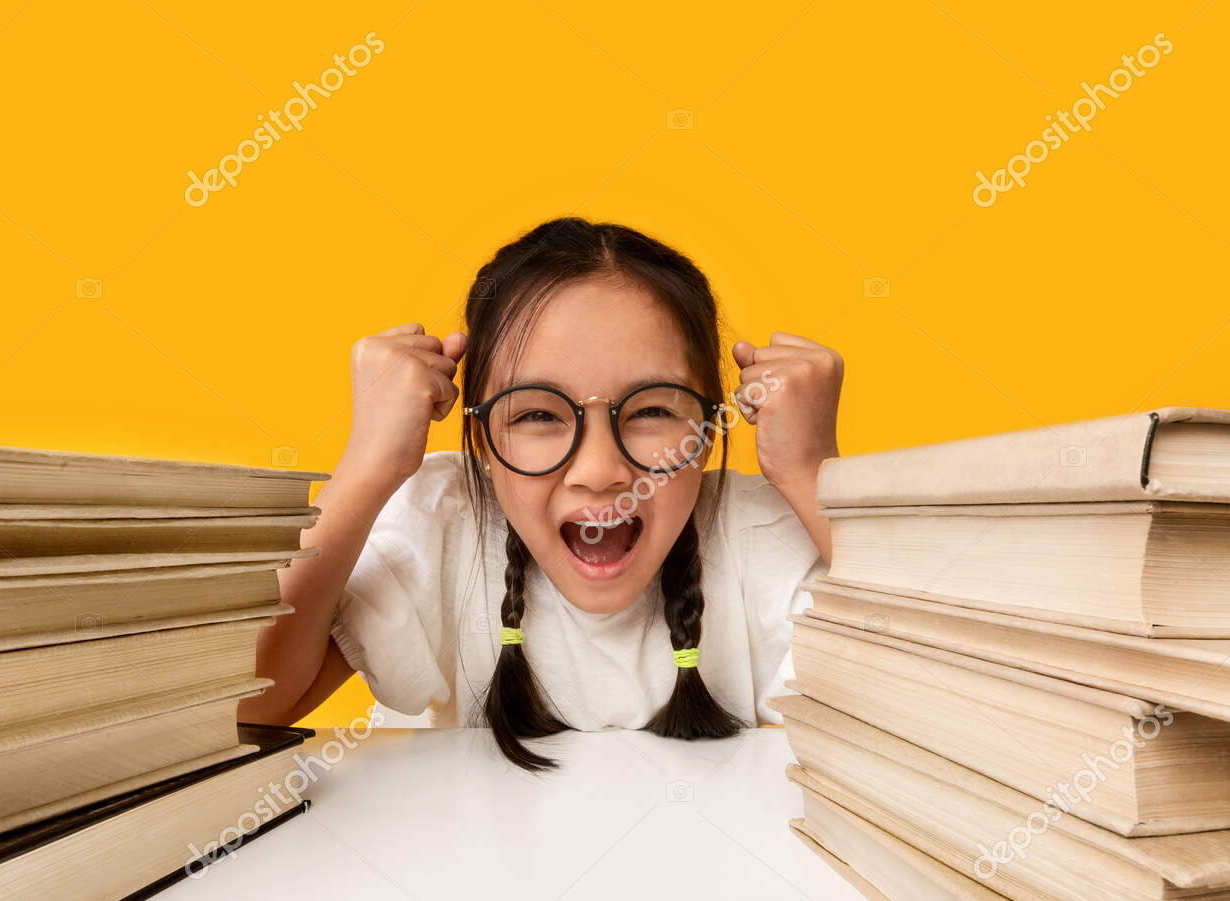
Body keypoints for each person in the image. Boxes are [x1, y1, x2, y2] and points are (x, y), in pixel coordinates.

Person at [245, 217, 842, 769]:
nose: (599, 470)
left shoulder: (760, 534)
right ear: (480, 440)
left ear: (708, 433)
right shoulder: (445, 523)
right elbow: (249, 708)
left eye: (652, 410)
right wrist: (367, 466)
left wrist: (812, 475)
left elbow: (905, 718)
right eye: (536, 415)